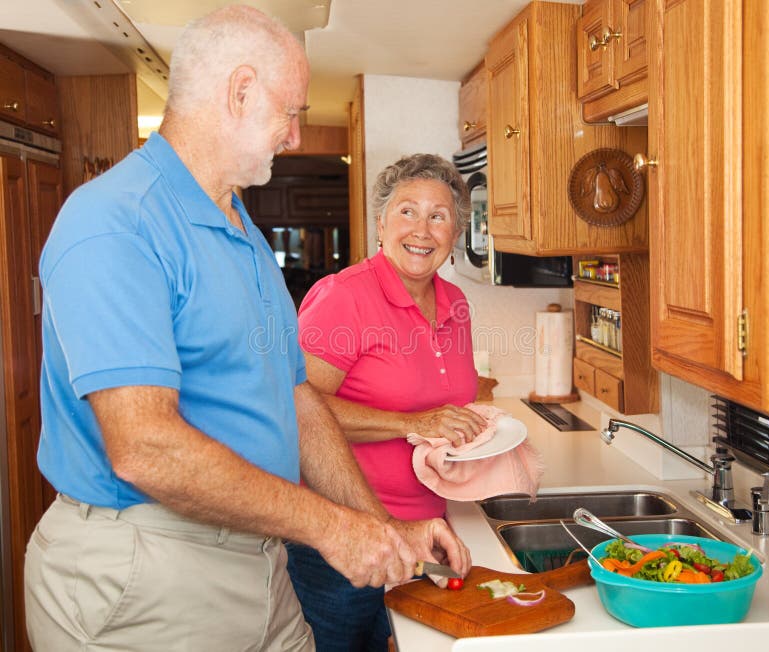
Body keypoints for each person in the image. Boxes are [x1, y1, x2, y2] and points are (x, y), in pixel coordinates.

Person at [23, 7, 470, 652]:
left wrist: (379, 527)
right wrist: (331, 528)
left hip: (262, 557)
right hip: (144, 567)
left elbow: (297, 399)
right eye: (289, 112)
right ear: (238, 92)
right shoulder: (116, 223)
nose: (294, 135)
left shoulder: (244, 235)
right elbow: (145, 446)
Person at [287, 154, 487, 651]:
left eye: (439, 216)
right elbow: (294, 407)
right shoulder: (343, 297)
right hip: (344, 539)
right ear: (381, 222)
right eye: (407, 211)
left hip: (428, 535)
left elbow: (450, 396)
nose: (422, 229)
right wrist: (413, 422)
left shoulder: (456, 303)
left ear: (455, 231)